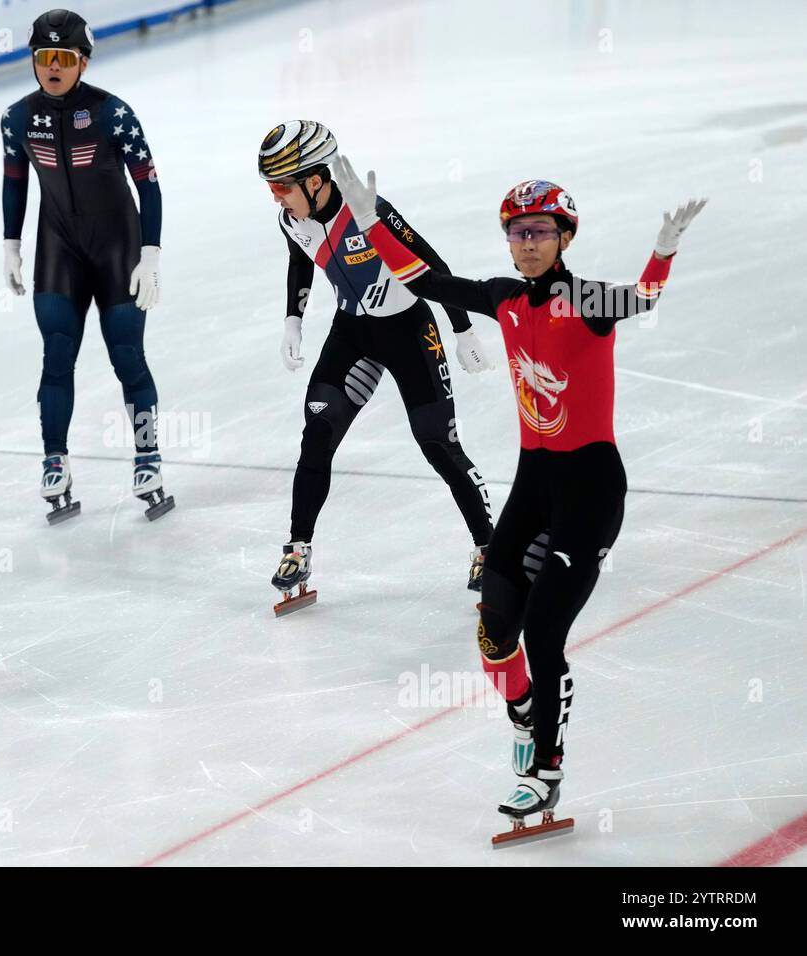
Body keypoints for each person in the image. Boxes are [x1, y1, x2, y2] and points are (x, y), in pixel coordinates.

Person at [334, 156, 705, 820]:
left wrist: (662, 253)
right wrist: (368, 222)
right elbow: (427, 280)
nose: (527, 242)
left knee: (544, 632)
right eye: (517, 232)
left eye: (539, 231)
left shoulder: (585, 301)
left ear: (564, 237)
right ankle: (524, 716)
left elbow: (643, 298)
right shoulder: (505, 297)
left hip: (590, 489)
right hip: (533, 482)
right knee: (493, 629)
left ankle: (547, 768)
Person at [258, 121, 495, 614]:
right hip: (353, 334)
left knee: (437, 443)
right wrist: (292, 320)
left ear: (317, 180)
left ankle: (489, 546)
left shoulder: (369, 211)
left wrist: (462, 329)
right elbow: (300, 262)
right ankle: (298, 547)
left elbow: (432, 265)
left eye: (282, 186)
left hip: (408, 331)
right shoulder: (290, 219)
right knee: (318, 431)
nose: (276, 197)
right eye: (271, 187)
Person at [1, 8, 172, 523]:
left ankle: (148, 458)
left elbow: (149, 183)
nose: (53, 67)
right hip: (59, 251)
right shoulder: (17, 118)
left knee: (126, 355)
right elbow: (14, 182)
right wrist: (11, 244)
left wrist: (151, 252)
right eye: (43, 57)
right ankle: (55, 461)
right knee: (56, 357)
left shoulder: (111, 113)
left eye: (64, 58)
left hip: (117, 248)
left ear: (84, 62)